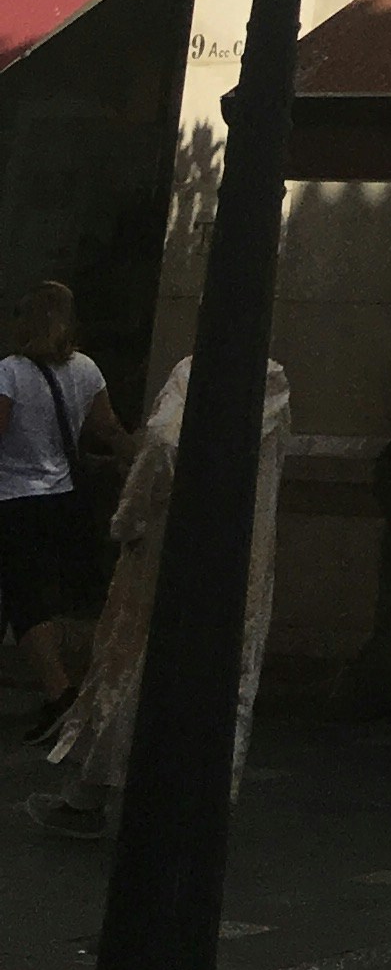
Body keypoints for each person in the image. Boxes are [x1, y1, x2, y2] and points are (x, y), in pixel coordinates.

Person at [30, 348, 290, 839]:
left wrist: (130, 520)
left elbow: (164, 445)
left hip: (170, 550)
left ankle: (95, 798)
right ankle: (194, 804)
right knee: (219, 672)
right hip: (240, 557)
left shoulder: (198, 370)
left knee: (130, 669)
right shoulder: (272, 383)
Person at [0, 281, 124, 745]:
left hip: (13, 499)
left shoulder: (10, 373)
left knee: (26, 601)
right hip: (62, 498)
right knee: (38, 594)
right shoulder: (87, 370)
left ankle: (60, 696)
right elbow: (106, 426)